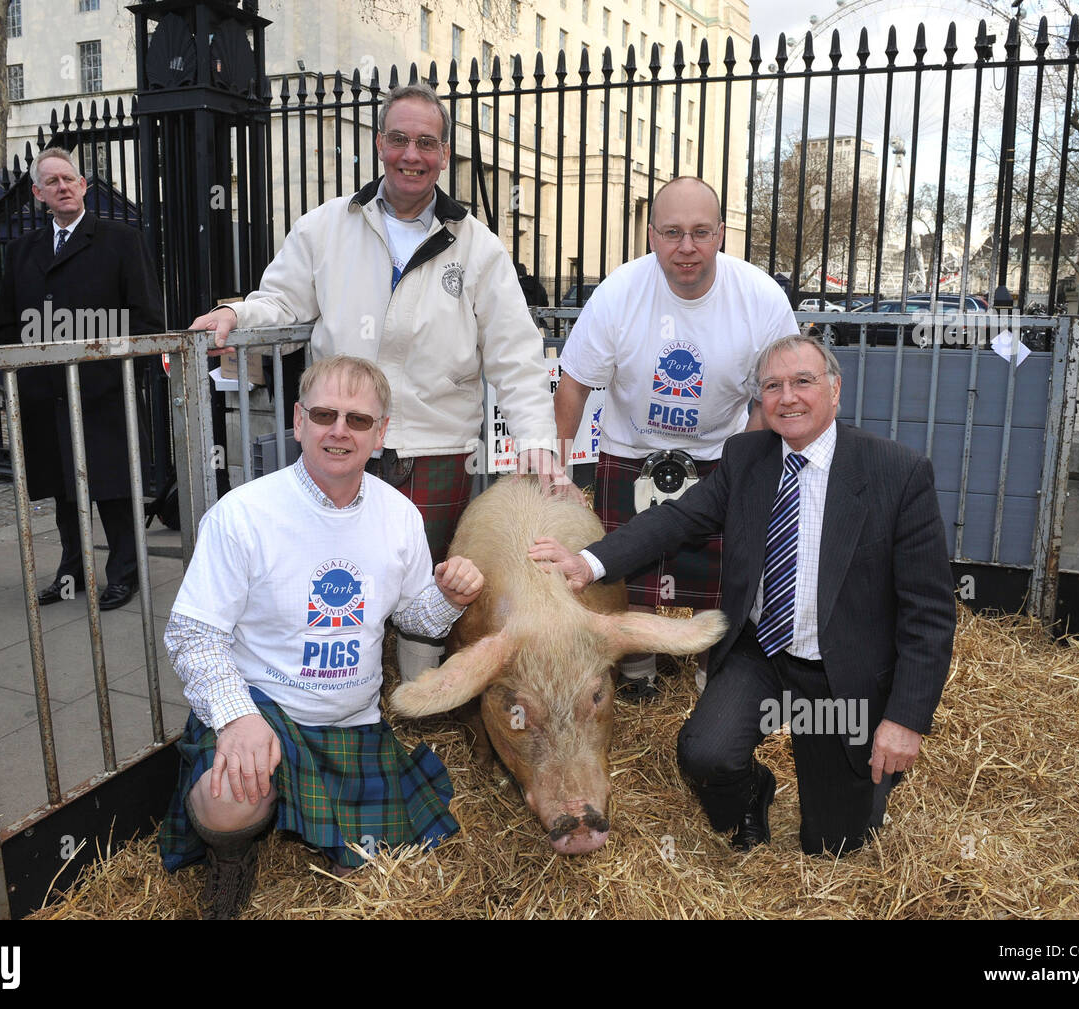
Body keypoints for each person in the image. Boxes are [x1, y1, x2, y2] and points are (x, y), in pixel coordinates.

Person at [187, 83, 565, 679]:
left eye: (425, 143)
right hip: (342, 439)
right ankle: (333, 696)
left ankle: (416, 702)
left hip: (436, 449)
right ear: (378, 144)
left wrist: (539, 446)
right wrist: (237, 315)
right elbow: (280, 300)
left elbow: (516, 357)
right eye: (398, 139)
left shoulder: (479, 246)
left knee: (431, 580)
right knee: (334, 572)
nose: (410, 155)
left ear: (443, 154)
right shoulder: (326, 226)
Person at [532, 335, 955, 856]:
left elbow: (929, 615)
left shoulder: (897, 473)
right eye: (773, 386)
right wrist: (589, 561)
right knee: (705, 755)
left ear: (835, 390)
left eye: (803, 381)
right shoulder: (748, 456)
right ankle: (754, 793)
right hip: (762, 654)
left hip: (839, 670)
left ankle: (856, 771)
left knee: (834, 844)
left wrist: (905, 720)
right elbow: (678, 519)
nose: (788, 397)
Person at [158, 356, 483, 918]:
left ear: (381, 434)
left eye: (358, 420)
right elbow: (192, 633)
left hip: (353, 724)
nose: (340, 430)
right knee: (228, 799)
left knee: (375, 855)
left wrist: (449, 599)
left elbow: (415, 621)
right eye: (325, 414)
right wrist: (238, 717)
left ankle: (329, 825)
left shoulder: (400, 516)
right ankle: (232, 862)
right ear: (298, 421)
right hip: (267, 707)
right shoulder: (244, 515)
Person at [552, 176, 797, 698]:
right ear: (650, 235)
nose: (687, 247)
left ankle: (714, 671)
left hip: (718, 455)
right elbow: (573, 380)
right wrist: (558, 465)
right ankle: (638, 670)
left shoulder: (760, 297)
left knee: (724, 577)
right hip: (630, 450)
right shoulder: (619, 291)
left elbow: (774, 392)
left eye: (701, 232)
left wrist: (744, 465)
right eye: (672, 232)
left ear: (722, 234)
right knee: (627, 570)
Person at [0, 147, 164, 611]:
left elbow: (147, 320)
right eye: (52, 182)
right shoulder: (21, 250)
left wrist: (117, 375)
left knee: (112, 488)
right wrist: (26, 375)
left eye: (69, 179)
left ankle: (123, 574)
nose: (63, 187)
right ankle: (71, 574)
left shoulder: (121, 240)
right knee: (64, 491)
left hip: (104, 392)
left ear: (84, 185)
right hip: (44, 394)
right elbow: (7, 324)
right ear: (37, 193)